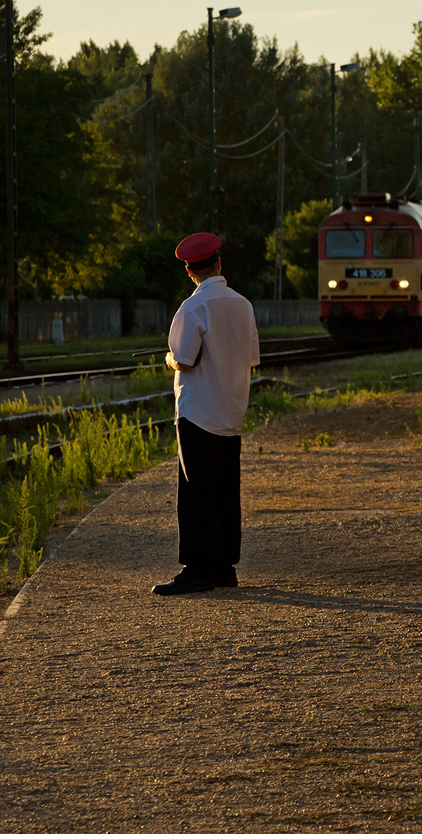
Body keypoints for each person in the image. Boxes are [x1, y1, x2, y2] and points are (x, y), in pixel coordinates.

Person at [152, 232, 261, 596]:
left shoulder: (193, 308)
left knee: (196, 490)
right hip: (232, 410)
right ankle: (223, 567)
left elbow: (183, 358)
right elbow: (251, 359)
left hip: (198, 413)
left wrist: (167, 357)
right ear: (218, 263)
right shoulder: (243, 305)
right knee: (226, 489)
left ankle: (196, 569)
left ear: (189, 271)